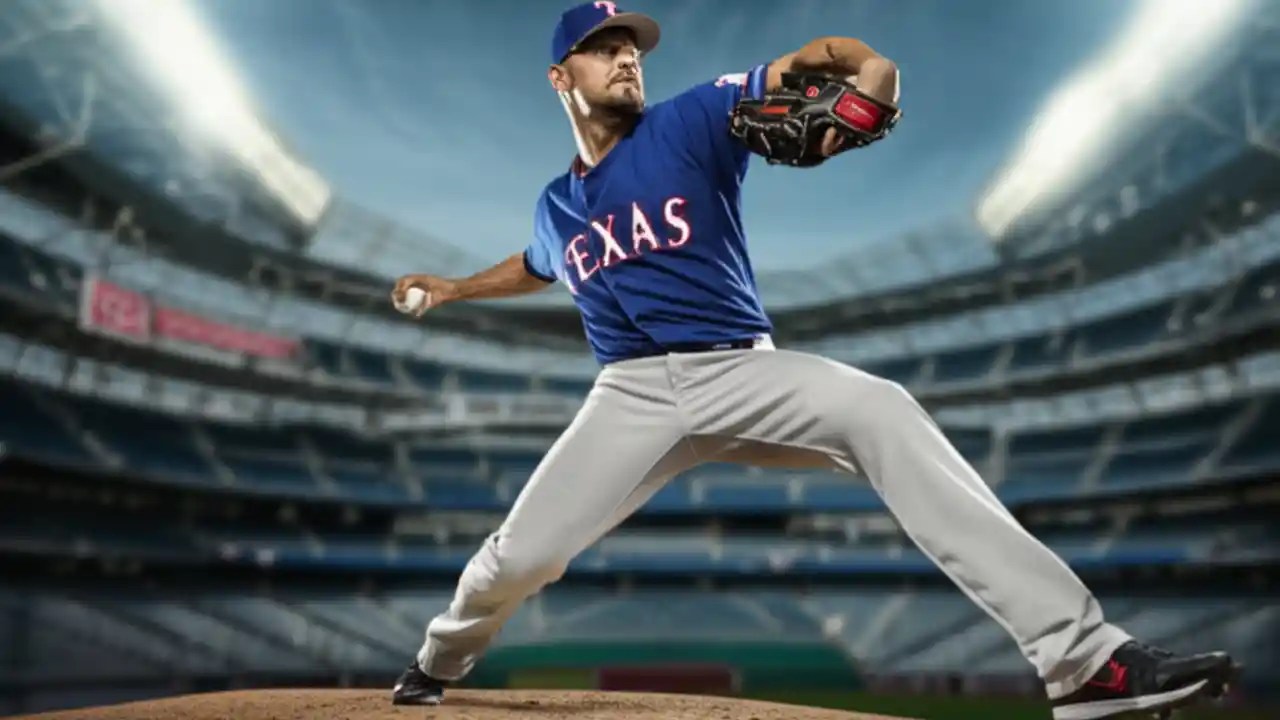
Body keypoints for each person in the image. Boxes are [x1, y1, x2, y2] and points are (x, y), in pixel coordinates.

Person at [389, 4, 1237, 718]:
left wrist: (873, 73)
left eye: (631, 47)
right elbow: (535, 264)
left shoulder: (691, 119)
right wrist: (455, 288)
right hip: (629, 396)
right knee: (519, 558)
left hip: (741, 372)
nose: (624, 58)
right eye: (601, 47)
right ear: (560, 77)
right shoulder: (557, 205)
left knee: (882, 410)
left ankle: (1084, 663)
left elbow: (815, 61)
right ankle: (435, 662)